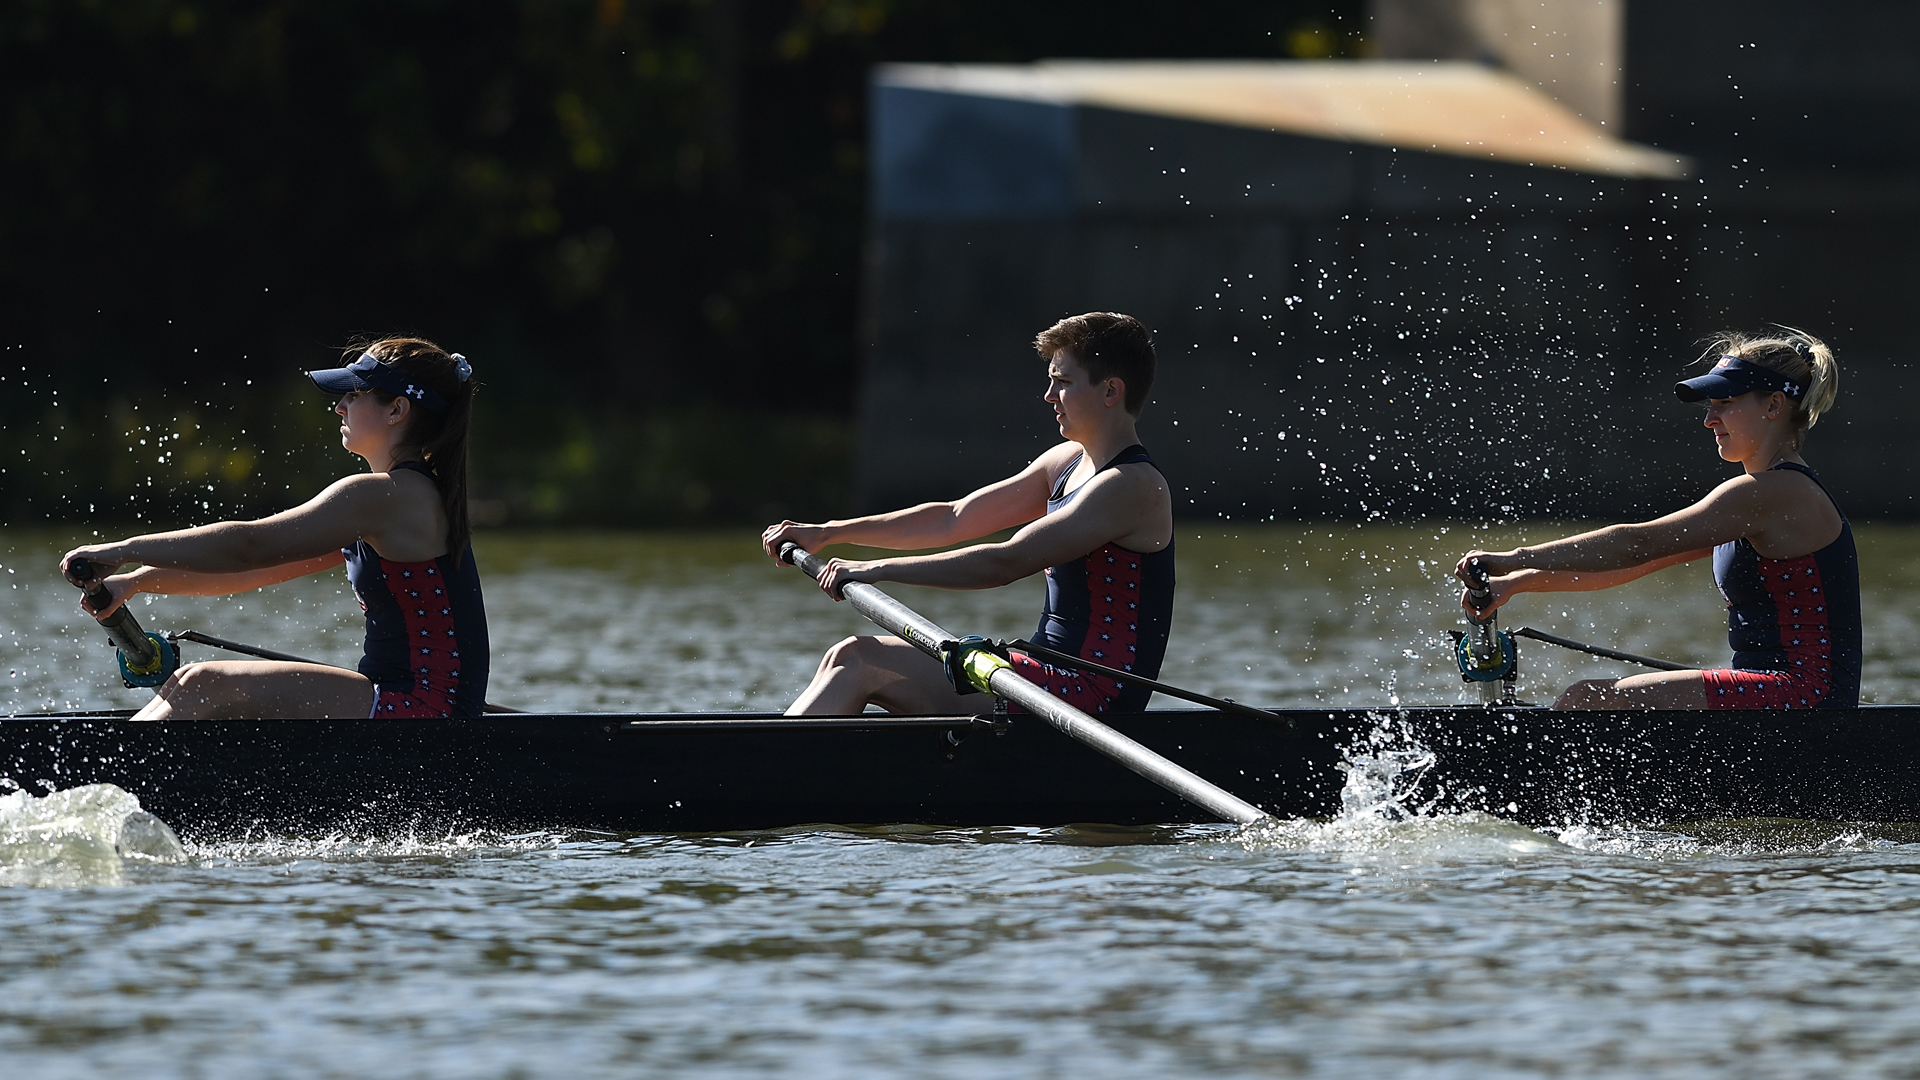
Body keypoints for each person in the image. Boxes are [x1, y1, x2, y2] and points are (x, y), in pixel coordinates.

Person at [763, 312, 1174, 716]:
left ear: (1111, 391)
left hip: (1092, 696)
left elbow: (1004, 562)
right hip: (1037, 674)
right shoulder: (1066, 462)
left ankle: (762, 776)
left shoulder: (1132, 485)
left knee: (859, 661)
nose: (1049, 396)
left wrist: (873, 570)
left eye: (1063, 383)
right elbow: (953, 518)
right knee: (845, 655)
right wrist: (828, 533)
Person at [60, 338, 489, 720]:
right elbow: (253, 571)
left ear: (397, 409)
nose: (340, 406)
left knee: (203, 685)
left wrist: (126, 548)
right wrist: (136, 582)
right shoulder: (398, 500)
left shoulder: (385, 496)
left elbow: (249, 544)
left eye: (354, 394)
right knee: (187, 683)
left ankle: (95, 795)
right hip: (410, 704)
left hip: (424, 712)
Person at [1454, 329, 1858, 710]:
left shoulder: (1772, 492)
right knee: (1591, 700)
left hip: (1807, 695)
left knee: (1590, 700)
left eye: (1725, 404)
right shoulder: (1758, 498)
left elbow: (1638, 542)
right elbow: (1640, 562)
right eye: (1710, 406)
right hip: (1773, 689)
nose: (1709, 420)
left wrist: (1514, 557)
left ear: (1773, 405)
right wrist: (1516, 584)